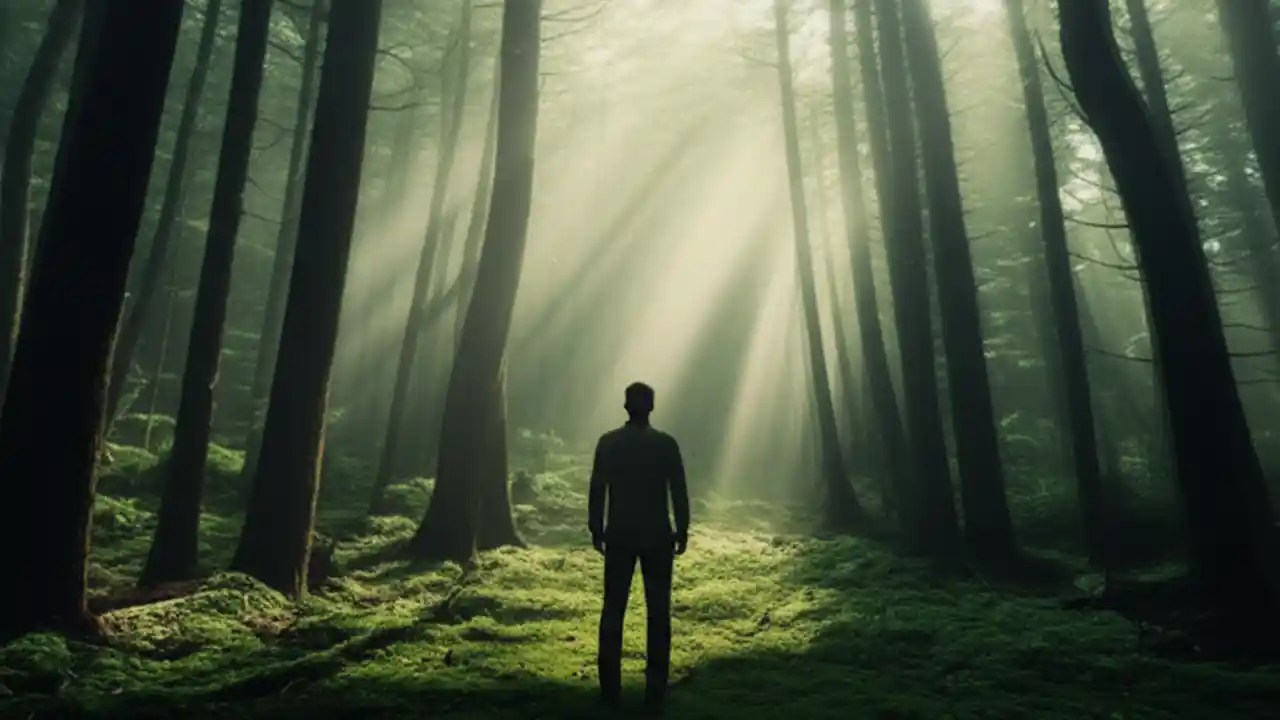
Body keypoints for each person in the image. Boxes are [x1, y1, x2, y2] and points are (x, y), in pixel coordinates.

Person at [589, 381, 690, 711]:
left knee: (613, 609)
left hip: (619, 533)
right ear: (652, 407)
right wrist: (683, 528)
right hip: (658, 535)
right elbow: (678, 490)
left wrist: (596, 527)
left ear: (625, 406)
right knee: (658, 613)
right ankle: (656, 690)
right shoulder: (666, 445)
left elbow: (597, 488)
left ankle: (610, 689)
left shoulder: (609, 444)